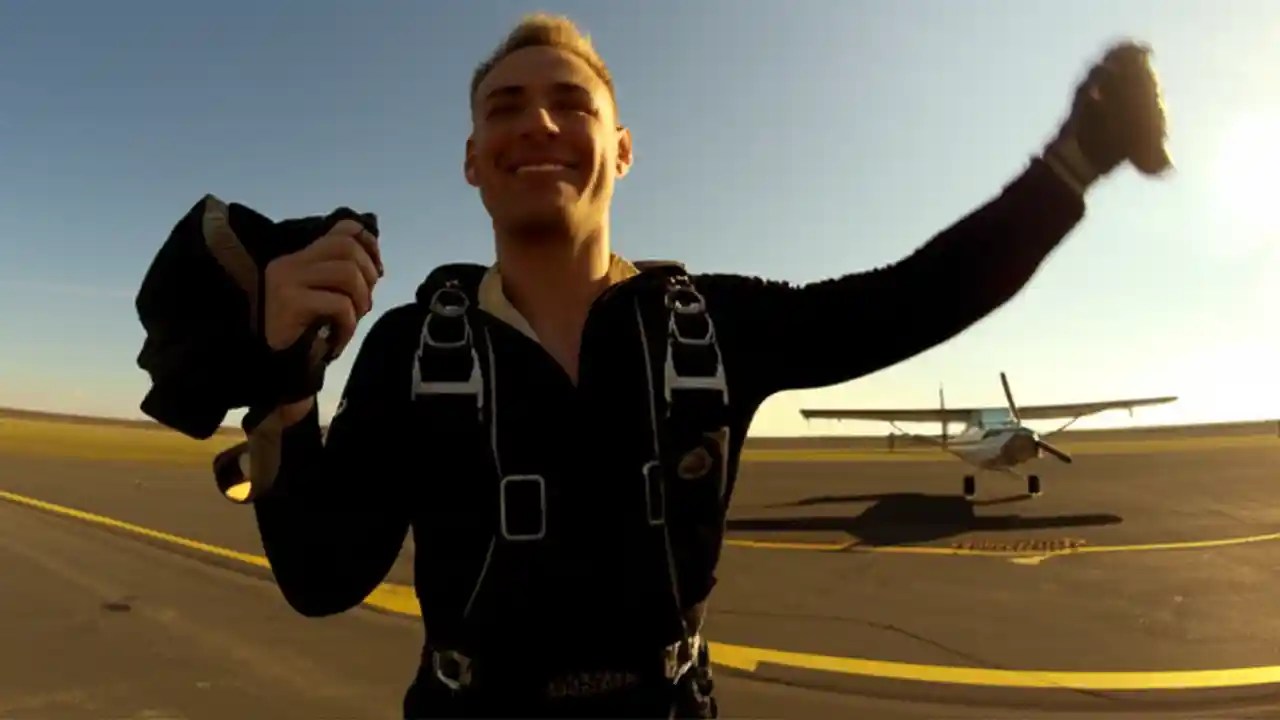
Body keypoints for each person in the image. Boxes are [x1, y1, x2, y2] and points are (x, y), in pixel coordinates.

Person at [213, 13, 1171, 719]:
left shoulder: (711, 323)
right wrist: (284, 382)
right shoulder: (414, 347)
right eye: (507, 108)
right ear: (473, 159)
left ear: (620, 150)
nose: (538, 124)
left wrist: (1072, 165)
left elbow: (911, 298)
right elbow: (323, 577)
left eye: (569, 104)